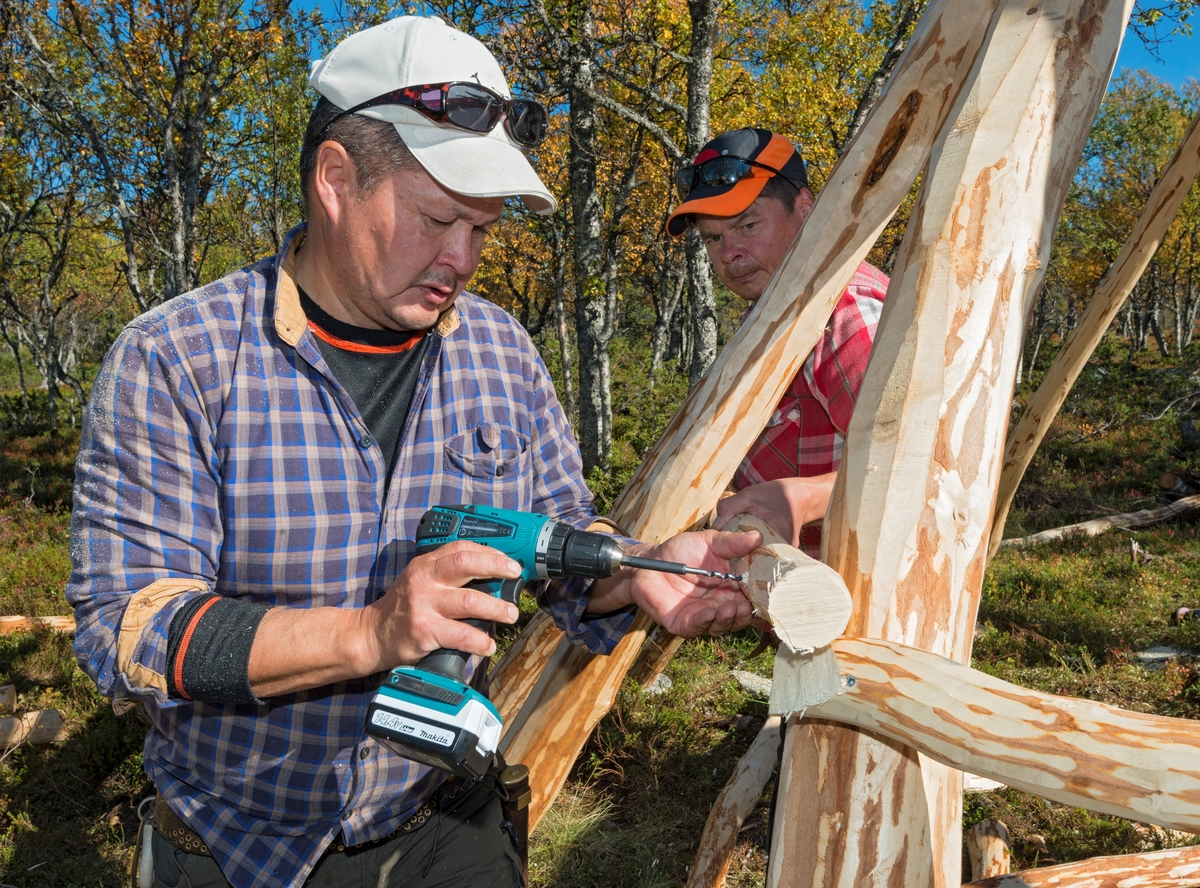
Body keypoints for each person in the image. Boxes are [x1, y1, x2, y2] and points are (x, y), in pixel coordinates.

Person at [66, 17, 757, 888]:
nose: (462, 258)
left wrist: (641, 569)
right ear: (337, 179)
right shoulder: (178, 358)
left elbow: (556, 551)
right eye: (437, 219)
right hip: (239, 850)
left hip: (444, 826)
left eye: (483, 229)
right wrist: (370, 634)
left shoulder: (499, 354)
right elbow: (127, 629)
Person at [666, 128, 889, 557]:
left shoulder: (839, 312)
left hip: (861, 604)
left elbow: (917, 464)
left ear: (804, 209)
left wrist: (804, 500)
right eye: (714, 238)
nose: (729, 252)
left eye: (747, 225)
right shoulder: (776, 310)